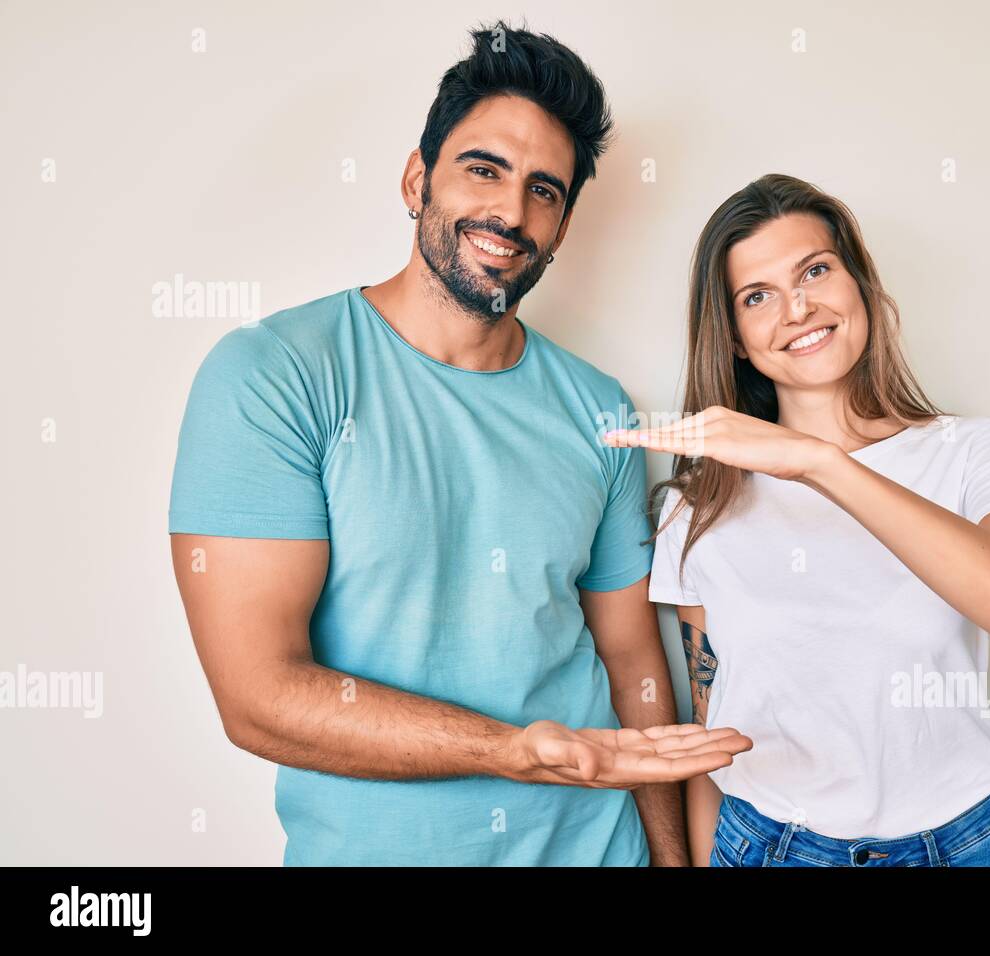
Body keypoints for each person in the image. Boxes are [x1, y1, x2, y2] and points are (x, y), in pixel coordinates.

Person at [167, 21, 750, 867]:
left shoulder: (600, 409)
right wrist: (512, 751)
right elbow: (258, 697)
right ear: (417, 179)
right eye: (485, 170)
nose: (510, 212)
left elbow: (633, 663)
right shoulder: (276, 374)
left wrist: (669, 858)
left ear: (563, 227)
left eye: (544, 192)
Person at [605, 173, 990, 867]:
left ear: (859, 286)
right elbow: (711, 734)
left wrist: (821, 463)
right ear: (734, 337)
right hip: (770, 846)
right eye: (757, 296)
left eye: (815, 271)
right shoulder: (695, 504)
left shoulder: (970, 452)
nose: (796, 310)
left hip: (965, 842)